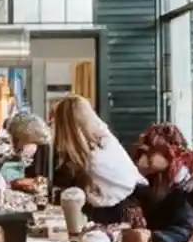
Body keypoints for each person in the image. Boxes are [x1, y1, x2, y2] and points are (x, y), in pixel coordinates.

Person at [50, 95, 147, 224]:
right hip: (127, 207)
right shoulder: (105, 141)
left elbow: (90, 199)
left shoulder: (91, 157)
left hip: (119, 214)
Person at [132, 123, 193, 242]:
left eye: (149, 152)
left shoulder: (186, 182)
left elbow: (186, 230)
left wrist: (151, 237)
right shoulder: (150, 180)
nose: (142, 159)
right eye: (141, 152)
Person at [4, 112, 52, 192]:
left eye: (16, 139)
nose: (14, 144)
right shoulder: (37, 150)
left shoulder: (46, 151)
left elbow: (42, 181)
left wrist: (18, 183)